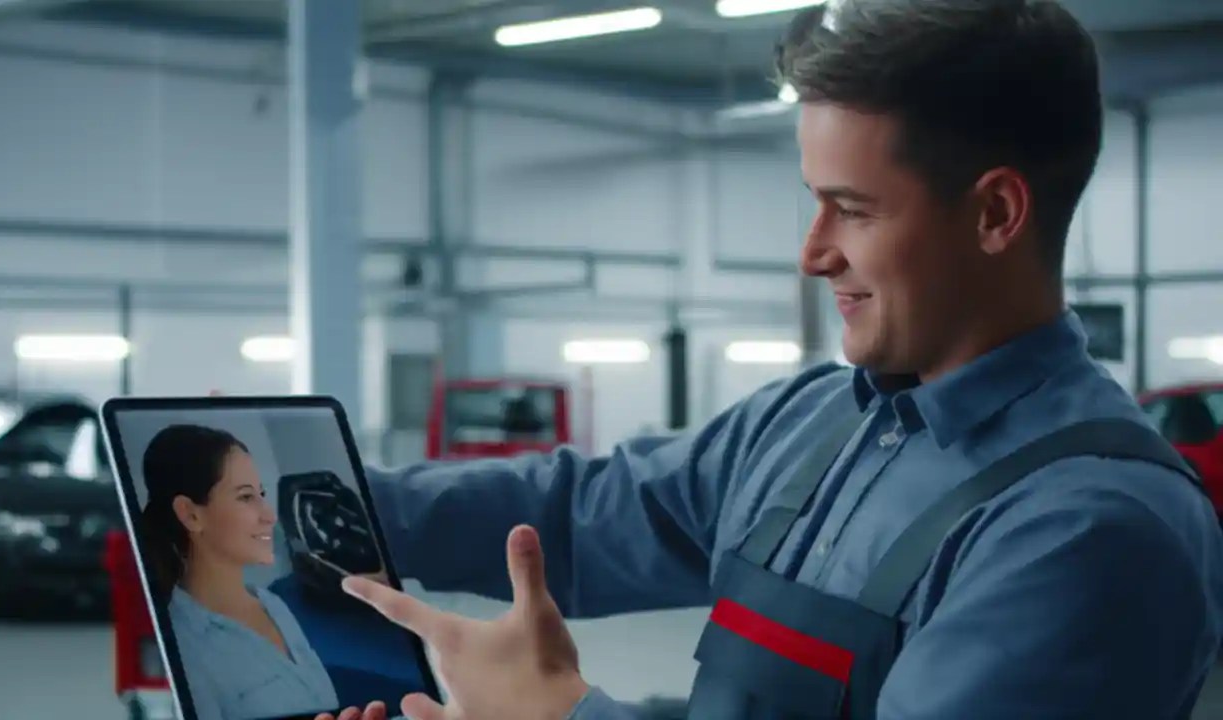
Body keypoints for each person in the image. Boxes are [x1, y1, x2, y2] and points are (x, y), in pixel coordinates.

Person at [325, 1, 1223, 719]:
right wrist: (301, 506)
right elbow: (576, 516)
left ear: (994, 215)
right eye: (813, 202)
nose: (812, 252)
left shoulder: (1092, 528)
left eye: (853, 209)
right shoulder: (812, 423)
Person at [139, 424, 349, 720]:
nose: (270, 515)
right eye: (246, 497)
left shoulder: (274, 605)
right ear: (191, 514)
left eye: (260, 494)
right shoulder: (185, 641)